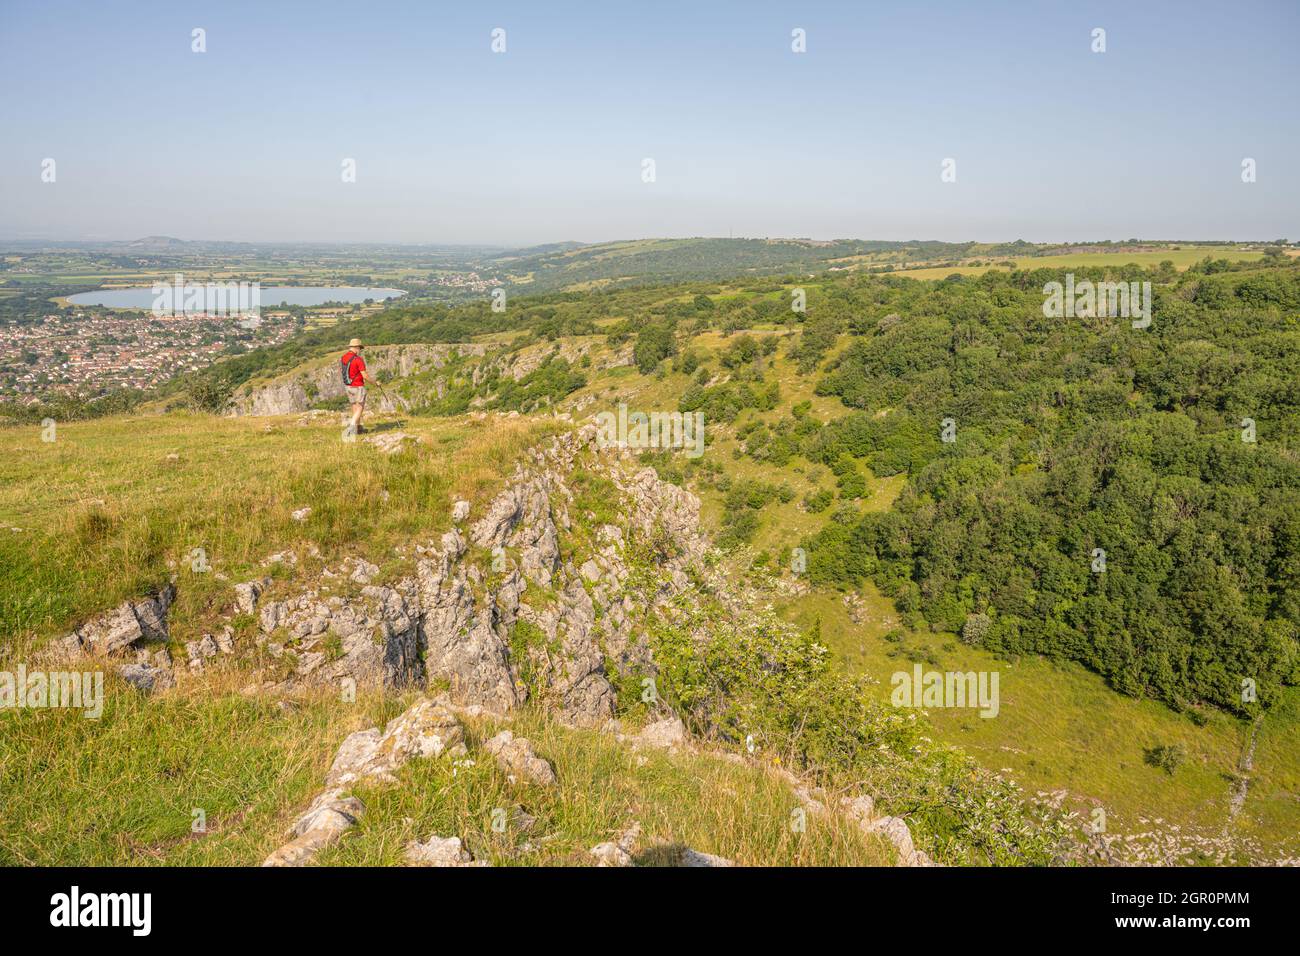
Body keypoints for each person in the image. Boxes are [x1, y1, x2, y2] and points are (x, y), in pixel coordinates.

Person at [340, 338, 371, 434]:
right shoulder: (358, 360)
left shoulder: (343, 357)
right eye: (359, 348)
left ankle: (357, 430)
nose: (360, 350)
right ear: (357, 347)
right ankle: (351, 427)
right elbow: (365, 376)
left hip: (348, 386)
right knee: (360, 408)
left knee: (354, 407)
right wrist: (375, 382)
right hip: (358, 386)